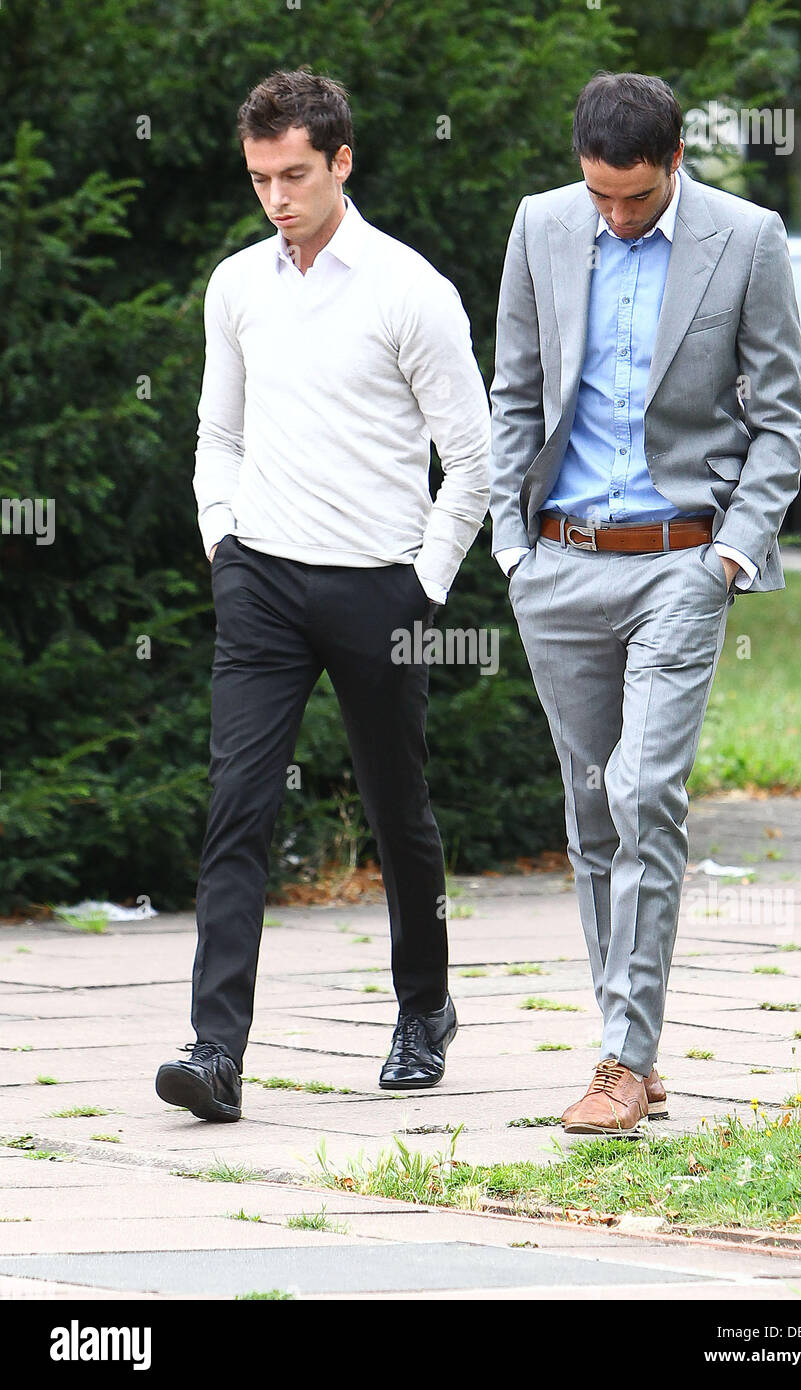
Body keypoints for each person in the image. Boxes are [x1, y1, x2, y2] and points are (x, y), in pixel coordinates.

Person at [156, 67, 490, 1122]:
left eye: (295, 173)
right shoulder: (237, 286)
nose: (276, 196)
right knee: (236, 811)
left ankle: (423, 1009)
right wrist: (221, 539)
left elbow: (472, 459)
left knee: (398, 812)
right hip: (259, 578)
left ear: (341, 161)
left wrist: (422, 586)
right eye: (260, 177)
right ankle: (216, 1051)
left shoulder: (409, 290)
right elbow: (220, 431)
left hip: (378, 590)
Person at [489, 71, 801, 1135]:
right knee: (590, 812)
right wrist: (511, 546)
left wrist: (729, 556)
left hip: (682, 562)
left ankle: (622, 1060)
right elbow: (515, 392)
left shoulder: (747, 238)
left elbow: (780, 422)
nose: (614, 216)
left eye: (634, 197)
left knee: (644, 795)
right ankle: (626, 1035)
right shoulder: (541, 226)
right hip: (560, 564)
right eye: (600, 197)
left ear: (674, 162)